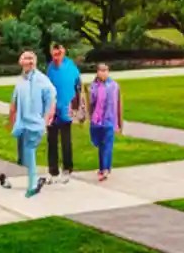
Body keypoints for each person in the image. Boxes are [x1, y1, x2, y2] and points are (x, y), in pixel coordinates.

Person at [10, 50, 55, 198]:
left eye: (31, 59)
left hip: (35, 123)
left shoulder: (42, 80)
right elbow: (14, 102)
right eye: (25, 58)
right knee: (24, 156)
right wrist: (12, 119)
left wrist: (46, 120)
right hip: (22, 124)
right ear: (20, 61)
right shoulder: (20, 81)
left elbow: (51, 99)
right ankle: (35, 179)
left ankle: (33, 185)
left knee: (30, 152)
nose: (29, 61)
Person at [45, 43, 83, 184]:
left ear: (63, 52)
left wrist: (77, 108)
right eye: (54, 54)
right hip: (52, 109)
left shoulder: (71, 67)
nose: (56, 57)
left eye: (59, 54)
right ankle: (53, 170)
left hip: (66, 109)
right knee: (52, 141)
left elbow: (78, 87)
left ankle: (67, 168)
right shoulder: (50, 68)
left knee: (66, 140)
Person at [86, 63, 123, 182]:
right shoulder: (93, 86)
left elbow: (118, 105)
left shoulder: (114, 86)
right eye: (101, 70)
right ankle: (102, 167)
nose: (103, 73)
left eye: (106, 70)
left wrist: (119, 123)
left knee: (107, 145)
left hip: (109, 120)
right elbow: (90, 104)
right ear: (97, 72)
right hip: (97, 120)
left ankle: (106, 169)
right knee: (99, 144)